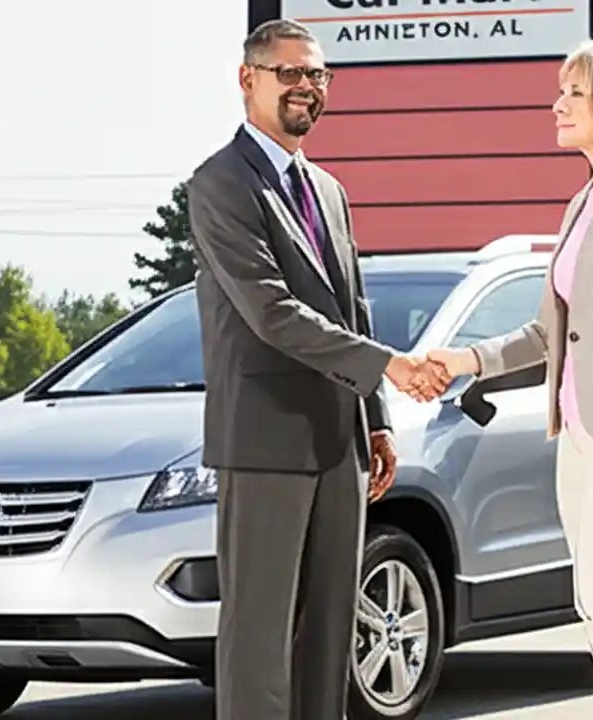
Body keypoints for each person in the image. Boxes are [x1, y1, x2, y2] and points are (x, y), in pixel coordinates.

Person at [186, 18, 450, 720]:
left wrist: (378, 423)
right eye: (290, 74)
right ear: (249, 81)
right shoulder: (218, 183)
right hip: (264, 442)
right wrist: (390, 365)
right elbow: (270, 312)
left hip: (341, 447)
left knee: (329, 631)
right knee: (259, 635)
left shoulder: (328, 190)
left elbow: (351, 308)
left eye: (317, 75)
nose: (306, 86)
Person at [427, 38, 593, 720]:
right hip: (576, 434)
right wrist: (467, 361)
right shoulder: (583, 204)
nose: (558, 104)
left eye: (574, 93)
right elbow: (549, 336)